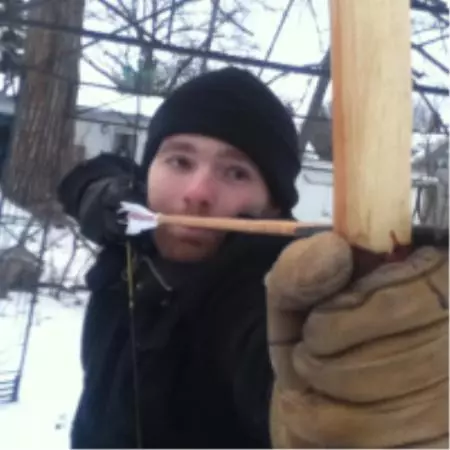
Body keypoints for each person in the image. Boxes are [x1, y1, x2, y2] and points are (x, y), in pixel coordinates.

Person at [58, 67, 448, 449]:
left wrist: (340, 398)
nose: (198, 193)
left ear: (273, 207)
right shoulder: (131, 235)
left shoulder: (265, 289)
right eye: (180, 161)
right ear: (148, 173)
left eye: (236, 173)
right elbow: (89, 175)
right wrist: (96, 191)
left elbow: (282, 378)